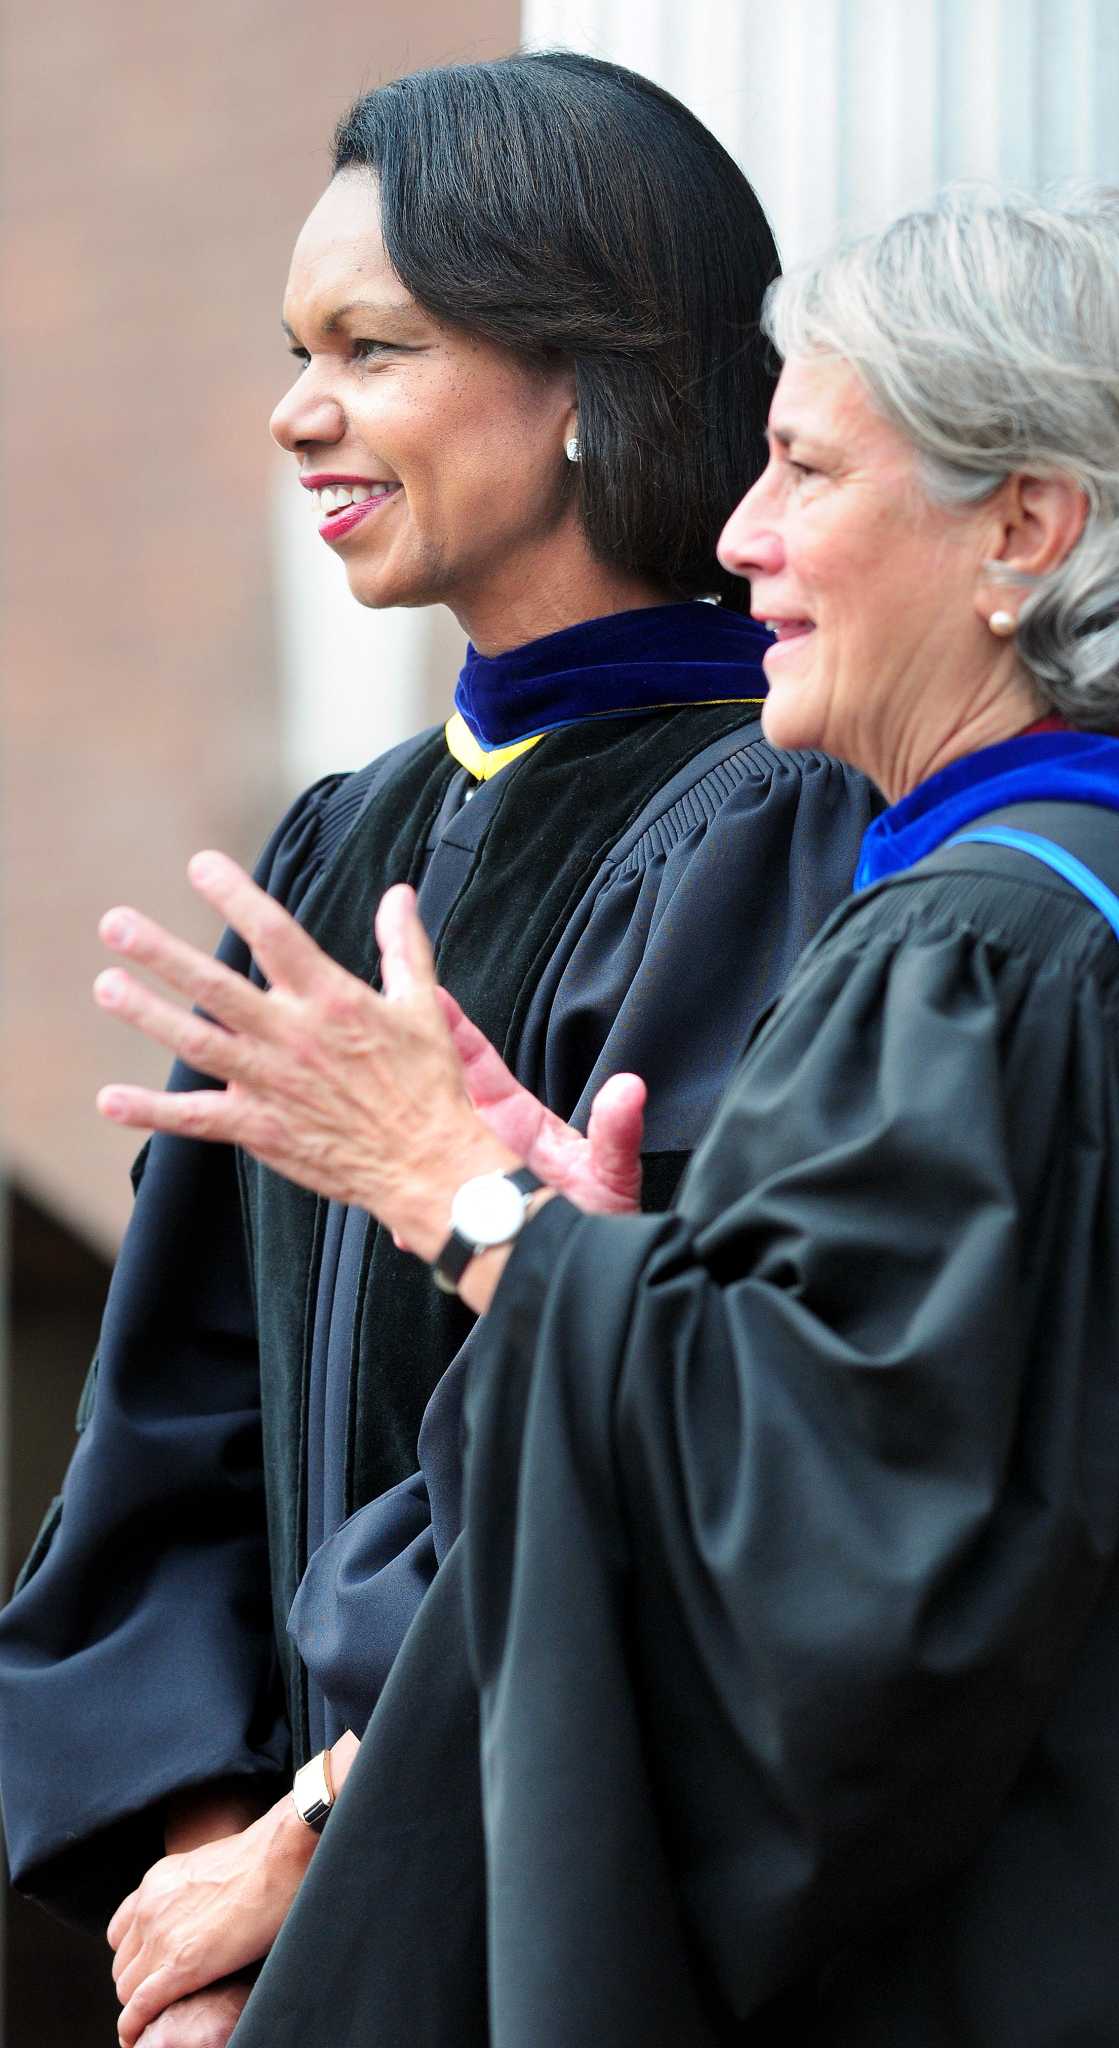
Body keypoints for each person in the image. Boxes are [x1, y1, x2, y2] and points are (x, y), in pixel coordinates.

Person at [81, 184, 1119, 2047]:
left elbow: (825, 1542)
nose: (746, 533)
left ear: (1025, 529)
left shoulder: (982, 948)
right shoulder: (1014, 916)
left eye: (805, 468)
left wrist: (477, 1212)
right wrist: (585, 1263)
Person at [0, 49, 877, 2048]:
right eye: (296, 350)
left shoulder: (773, 822)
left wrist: (319, 1850)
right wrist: (201, 1910)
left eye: (373, 349)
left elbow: (666, 1445)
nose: (300, 411)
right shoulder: (347, 833)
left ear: (585, 381)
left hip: (573, 1912)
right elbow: (173, 1450)